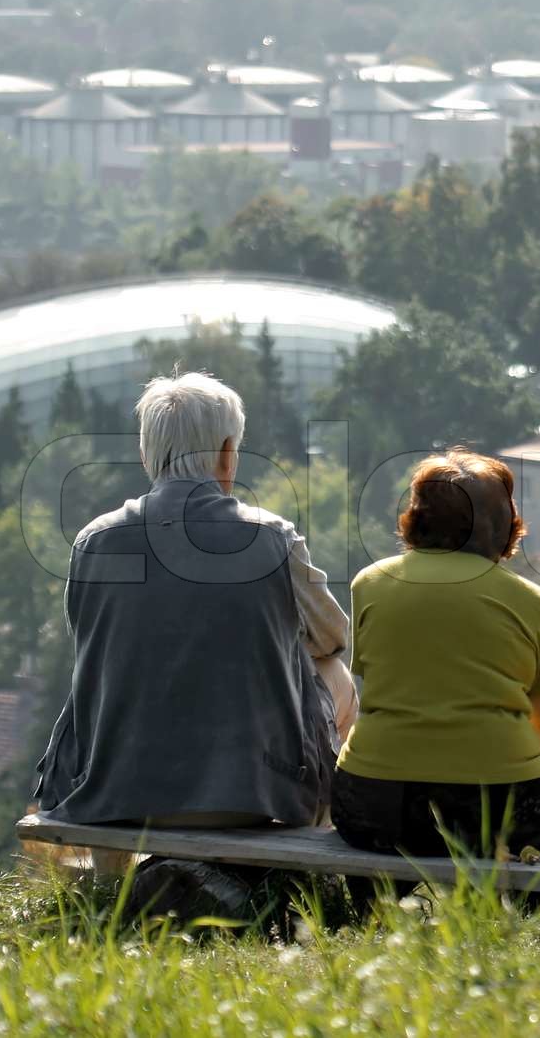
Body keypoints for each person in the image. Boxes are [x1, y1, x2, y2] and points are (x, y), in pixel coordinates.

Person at [33, 372, 359, 910]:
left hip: (113, 793)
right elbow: (333, 636)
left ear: (147, 455)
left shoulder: (95, 540)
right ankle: (302, 876)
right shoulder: (272, 537)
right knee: (336, 674)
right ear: (228, 453)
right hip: (252, 798)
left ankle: (110, 892)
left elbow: (89, 639)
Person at [331, 448, 540, 893]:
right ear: (506, 524)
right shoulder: (530, 601)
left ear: (417, 516)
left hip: (372, 807)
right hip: (495, 816)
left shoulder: (368, 584)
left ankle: (369, 917)